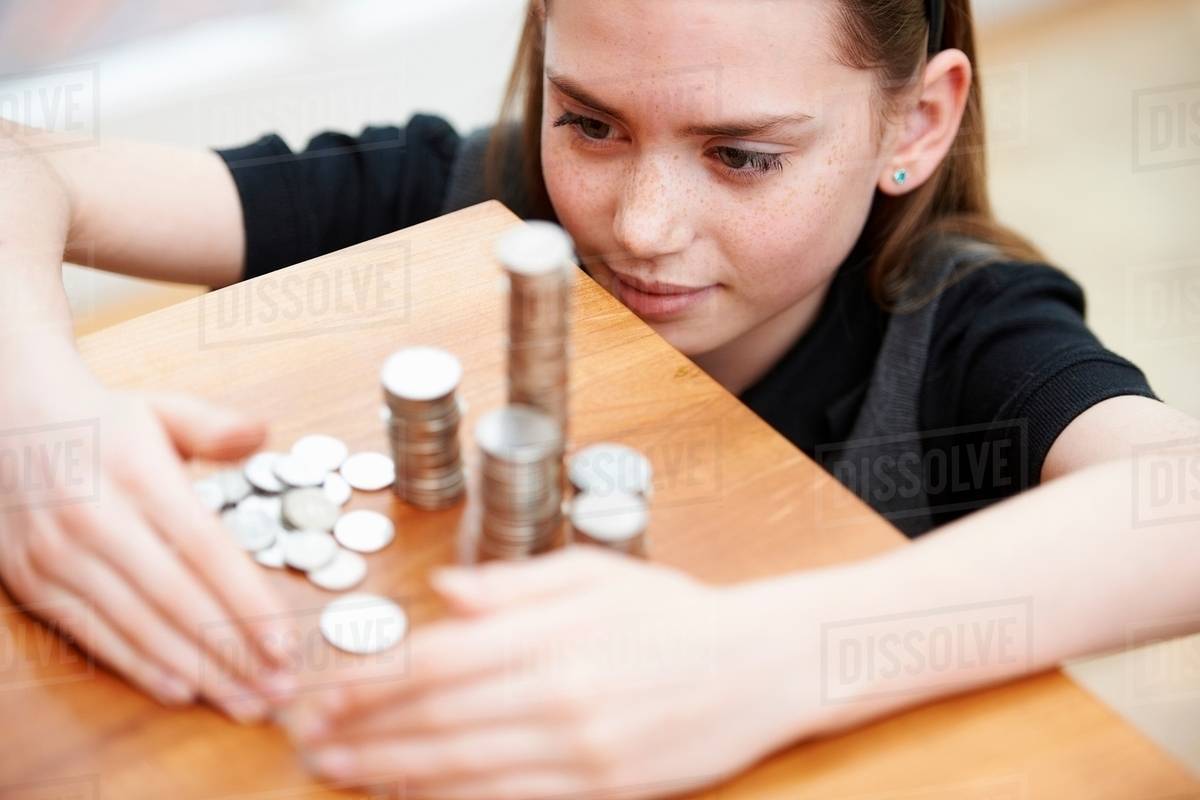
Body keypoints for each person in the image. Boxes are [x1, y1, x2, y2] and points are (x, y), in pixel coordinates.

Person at [1, 0, 1196, 796]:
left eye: (743, 155)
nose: (640, 226)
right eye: (590, 122)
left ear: (917, 122)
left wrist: (769, 656)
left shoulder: (961, 324)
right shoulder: (464, 193)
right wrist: (32, 409)